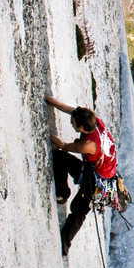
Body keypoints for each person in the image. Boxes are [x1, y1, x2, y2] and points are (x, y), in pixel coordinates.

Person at [45, 94, 118, 255]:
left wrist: (45, 133)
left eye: (74, 124)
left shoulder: (88, 145)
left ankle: (65, 241)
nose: (72, 124)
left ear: (82, 128)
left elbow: (64, 145)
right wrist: (52, 102)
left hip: (98, 179)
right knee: (60, 158)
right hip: (102, 169)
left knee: (80, 208)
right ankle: (62, 193)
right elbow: (72, 111)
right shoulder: (94, 121)